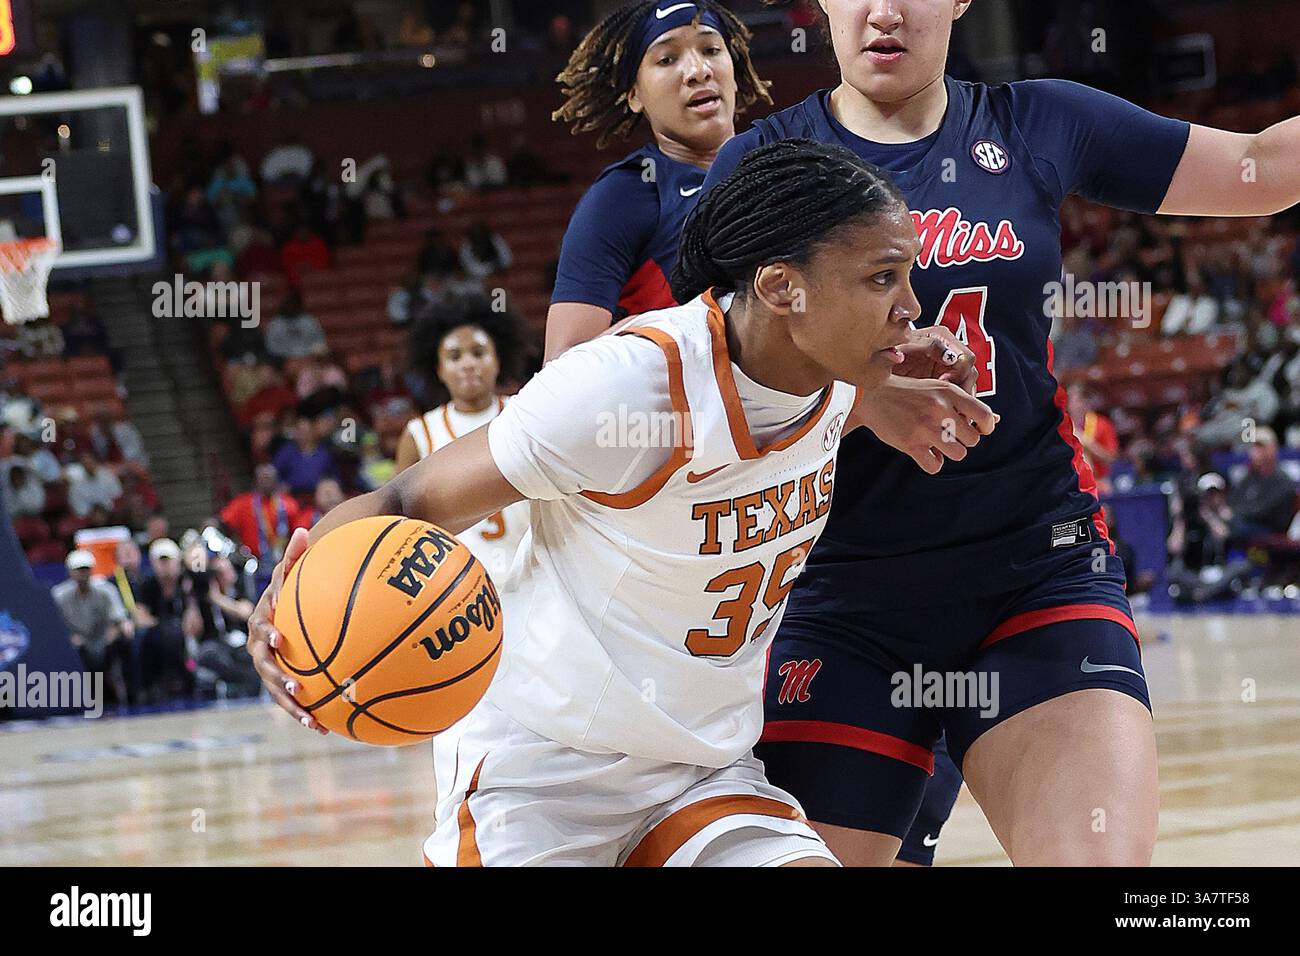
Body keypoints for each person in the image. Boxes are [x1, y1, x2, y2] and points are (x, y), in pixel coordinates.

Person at [247, 141, 994, 867]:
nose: (910, 306)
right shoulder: (628, 388)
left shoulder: (838, 375)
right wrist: (285, 606)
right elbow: (405, 499)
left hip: (704, 774)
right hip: (542, 773)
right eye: (881, 278)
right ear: (779, 288)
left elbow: (837, 406)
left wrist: (886, 395)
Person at [704, 0, 1300, 867]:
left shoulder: (1039, 123)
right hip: (838, 601)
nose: (882, 10)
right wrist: (859, 400)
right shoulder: (763, 166)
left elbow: (1259, 168)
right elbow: (693, 373)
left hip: (1034, 571)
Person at [544, 0, 771, 359]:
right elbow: (563, 361)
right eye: (667, 59)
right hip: (674, 413)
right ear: (634, 94)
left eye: (711, 49)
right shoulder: (623, 195)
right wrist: (690, 328)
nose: (698, 71)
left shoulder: (786, 172)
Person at [395, 296, 529, 583]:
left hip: (533, 576)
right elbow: (400, 521)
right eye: (455, 357)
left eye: (479, 353)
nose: (468, 364)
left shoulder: (526, 414)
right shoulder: (419, 432)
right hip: (456, 590)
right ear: (440, 370)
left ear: (497, 361)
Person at [51, 549, 134, 705]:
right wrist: (68, 638)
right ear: (70, 572)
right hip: (75, 642)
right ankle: (83, 697)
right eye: (79, 570)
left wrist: (116, 631)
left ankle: (128, 693)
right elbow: (52, 626)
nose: (83, 574)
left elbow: (119, 619)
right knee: (77, 651)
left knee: (122, 643)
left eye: (86, 569)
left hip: (102, 639)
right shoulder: (59, 595)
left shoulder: (106, 591)